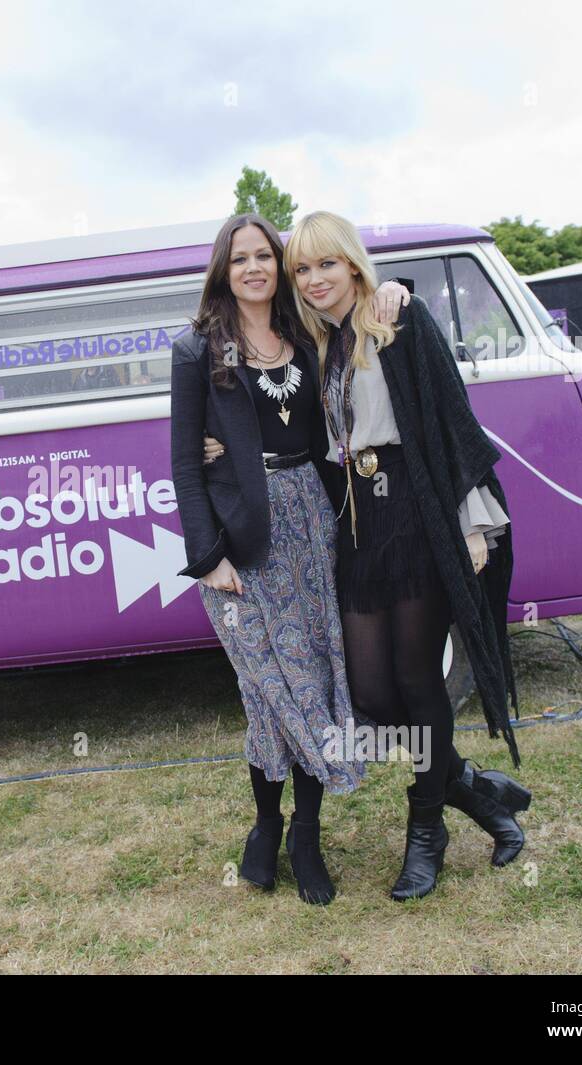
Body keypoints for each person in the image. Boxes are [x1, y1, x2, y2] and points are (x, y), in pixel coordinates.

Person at [169, 212, 409, 904]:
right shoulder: (197, 351)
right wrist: (207, 555)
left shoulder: (305, 334)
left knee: (314, 680)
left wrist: (394, 291)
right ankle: (266, 822)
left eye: (265, 257)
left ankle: (301, 832)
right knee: (268, 689)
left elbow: (364, 311)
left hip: (312, 519)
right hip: (241, 543)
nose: (254, 268)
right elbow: (186, 461)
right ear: (223, 268)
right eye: (240, 257)